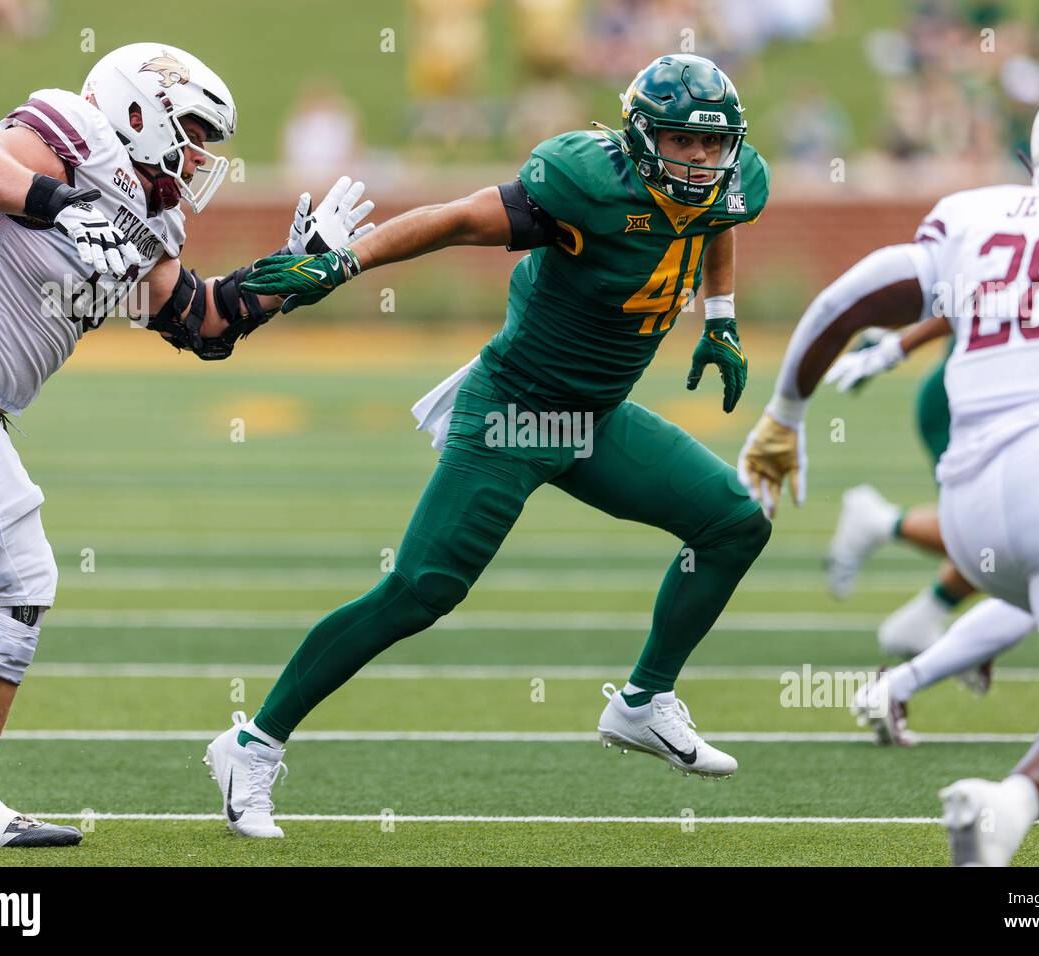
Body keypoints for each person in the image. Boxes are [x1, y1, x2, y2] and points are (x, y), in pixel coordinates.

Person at [210, 54, 772, 839]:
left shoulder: (734, 179)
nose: (704, 161)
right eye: (685, 143)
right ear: (643, 138)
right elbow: (455, 218)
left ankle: (644, 701)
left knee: (735, 522)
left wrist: (721, 317)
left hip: (597, 419)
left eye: (716, 147)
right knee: (419, 592)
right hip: (515, 412)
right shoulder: (584, 183)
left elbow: (720, 222)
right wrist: (342, 262)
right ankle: (252, 743)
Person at [0, 41, 371, 847]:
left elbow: (202, 323)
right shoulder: (71, 135)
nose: (197, 160)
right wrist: (60, 203)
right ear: (140, 111)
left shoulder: (150, 216)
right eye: (192, 135)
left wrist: (297, 271)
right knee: (18, 577)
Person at [739, 73, 1039, 866]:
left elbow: (854, 293)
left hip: (968, 497)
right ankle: (1005, 807)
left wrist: (786, 412)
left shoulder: (978, 212)